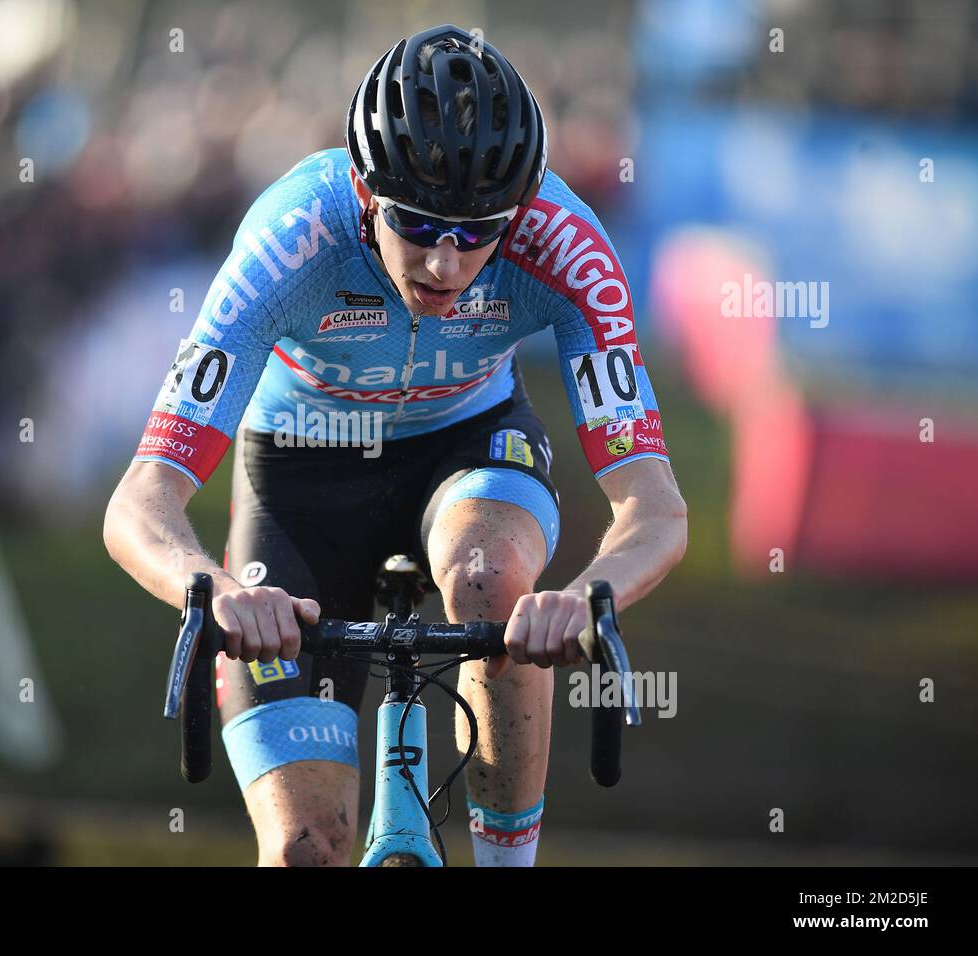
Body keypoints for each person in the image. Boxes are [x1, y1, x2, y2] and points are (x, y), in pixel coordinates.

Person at [104, 24, 687, 867]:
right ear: (365, 191)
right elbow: (140, 502)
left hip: (470, 448)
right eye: (418, 224)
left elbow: (654, 505)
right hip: (300, 471)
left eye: (477, 230)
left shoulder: (565, 244)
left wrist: (593, 593)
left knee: (494, 583)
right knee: (307, 849)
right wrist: (215, 588)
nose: (447, 264)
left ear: (517, 214)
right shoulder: (290, 238)